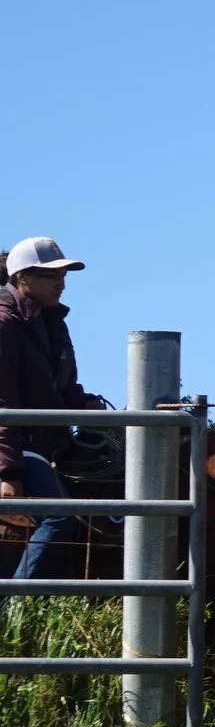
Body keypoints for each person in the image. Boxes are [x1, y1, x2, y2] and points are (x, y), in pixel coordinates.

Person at [0, 237, 105, 582]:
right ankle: (15, 617)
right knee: (59, 517)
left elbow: (60, 389)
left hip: (42, 445)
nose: (60, 283)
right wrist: (8, 474)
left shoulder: (53, 322)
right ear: (22, 277)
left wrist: (84, 403)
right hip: (14, 448)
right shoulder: (4, 325)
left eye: (63, 275)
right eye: (50, 275)